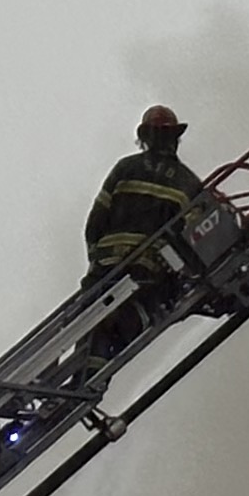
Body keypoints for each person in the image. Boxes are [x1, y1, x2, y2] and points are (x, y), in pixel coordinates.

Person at [79, 105, 210, 344]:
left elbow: (95, 223)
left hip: (106, 269)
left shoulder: (125, 168)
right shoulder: (189, 183)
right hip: (148, 277)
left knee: (89, 330)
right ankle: (90, 377)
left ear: (144, 138)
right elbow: (196, 243)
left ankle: (81, 375)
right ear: (176, 138)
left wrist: (96, 260)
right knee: (116, 335)